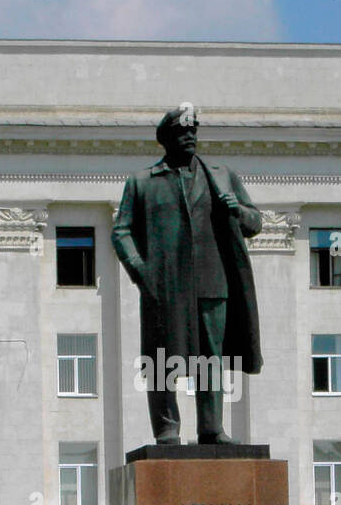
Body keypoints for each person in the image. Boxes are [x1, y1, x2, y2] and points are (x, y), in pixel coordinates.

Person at [112, 107, 264, 444]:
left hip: (213, 279)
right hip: (164, 284)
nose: (190, 136)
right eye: (182, 132)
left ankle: (211, 427)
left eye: (193, 130)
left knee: (211, 358)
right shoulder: (142, 182)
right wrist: (143, 273)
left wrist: (236, 210)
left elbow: (255, 223)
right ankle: (167, 429)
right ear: (165, 138)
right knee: (162, 358)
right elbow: (120, 233)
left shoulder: (221, 175)